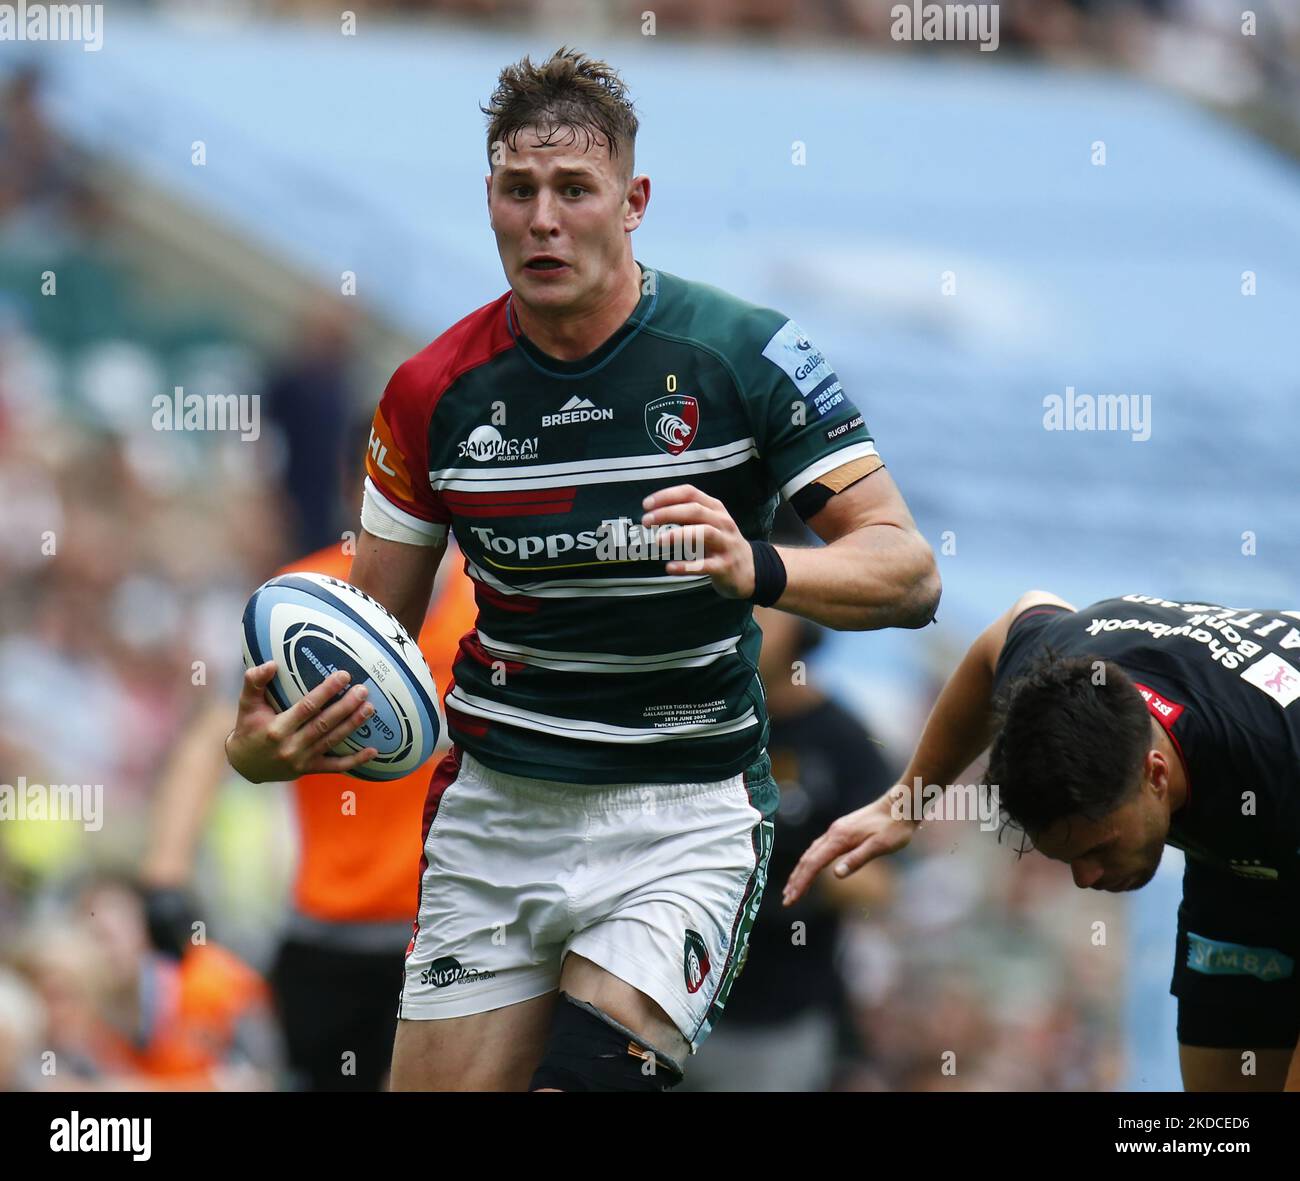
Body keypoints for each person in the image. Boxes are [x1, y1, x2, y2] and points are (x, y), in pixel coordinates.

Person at [225, 46, 939, 1093]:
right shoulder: (431, 392)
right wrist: (271, 745)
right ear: (490, 200)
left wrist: (760, 567)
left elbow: (908, 571)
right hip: (498, 814)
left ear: (633, 200)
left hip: (682, 811)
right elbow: (368, 641)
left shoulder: (744, 357)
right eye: (519, 190)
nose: (543, 218)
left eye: (574, 190)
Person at [785, 591, 1300, 1092]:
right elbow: (1006, 630)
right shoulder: (1056, 671)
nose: (1087, 878)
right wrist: (905, 806)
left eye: (1098, 849)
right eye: (1069, 859)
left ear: (1156, 775)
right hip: (1242, 864)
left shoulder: (1274, 755)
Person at [144, 481, 477, 1090]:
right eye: (387, 490)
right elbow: (210, 739)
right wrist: (165, 877)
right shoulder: (301, 605)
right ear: (356, 491)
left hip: (453, 933)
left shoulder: (490, 607)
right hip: (322, 930)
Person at [682, 514, 894, 1091]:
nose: (740, 626)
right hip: (666, 1007)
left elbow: (877, 884)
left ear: (801, 616)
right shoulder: (693, 717)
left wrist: (790, 883)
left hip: (775, 1024)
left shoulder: (844, 740)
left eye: (757, 608)